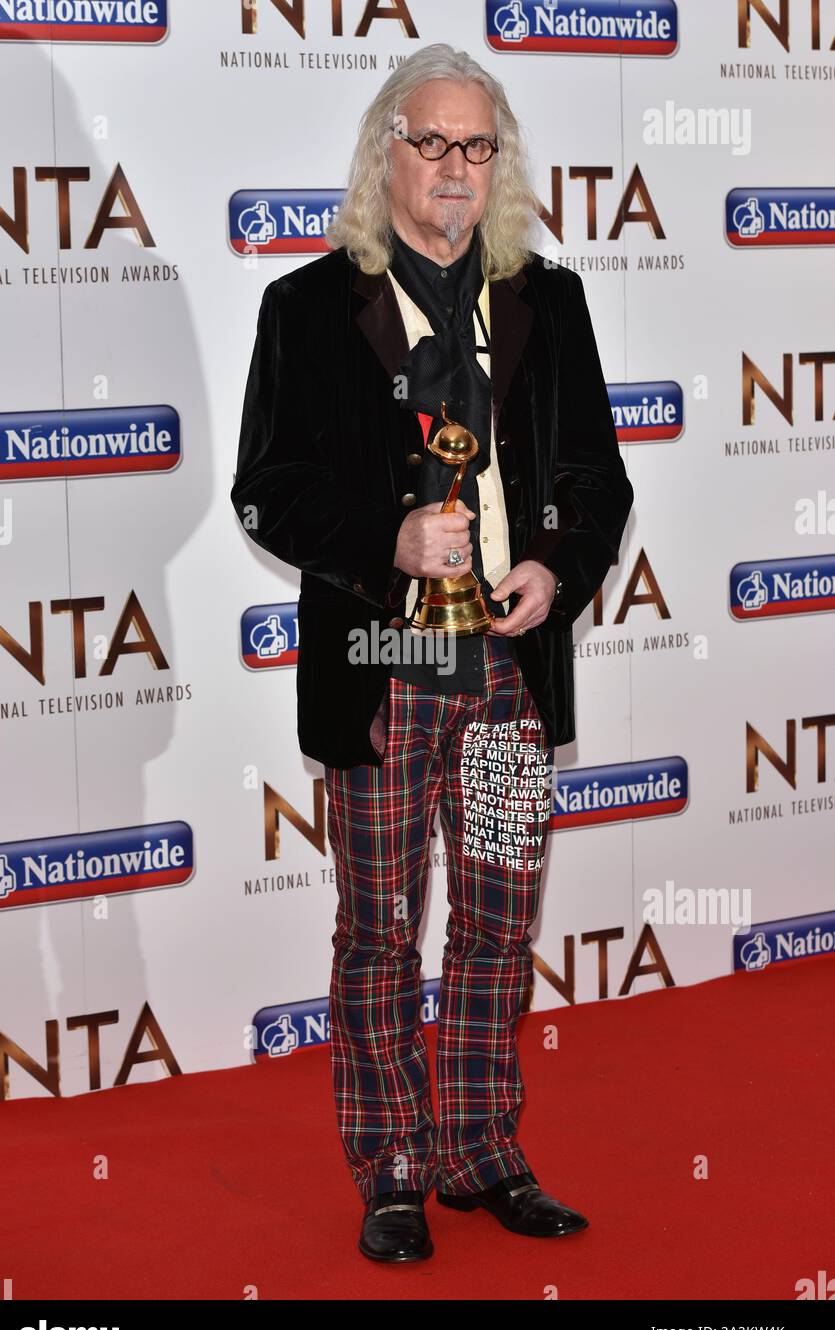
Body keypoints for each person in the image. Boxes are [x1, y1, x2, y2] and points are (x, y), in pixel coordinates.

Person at [232, 43, 633, 1263]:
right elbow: (267, 490)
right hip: (381, 670)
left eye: (477, 145)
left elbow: (595, 481)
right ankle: (393, 1165)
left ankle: (480, 1147)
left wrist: (557, 566)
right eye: (432, 143)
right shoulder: (308, 306)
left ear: (496, 163)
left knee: (502, 917)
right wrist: (387, 538)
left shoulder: (546, 302)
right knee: (380, 928)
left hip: (508, 678)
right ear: (385, 155)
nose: (455, 168)